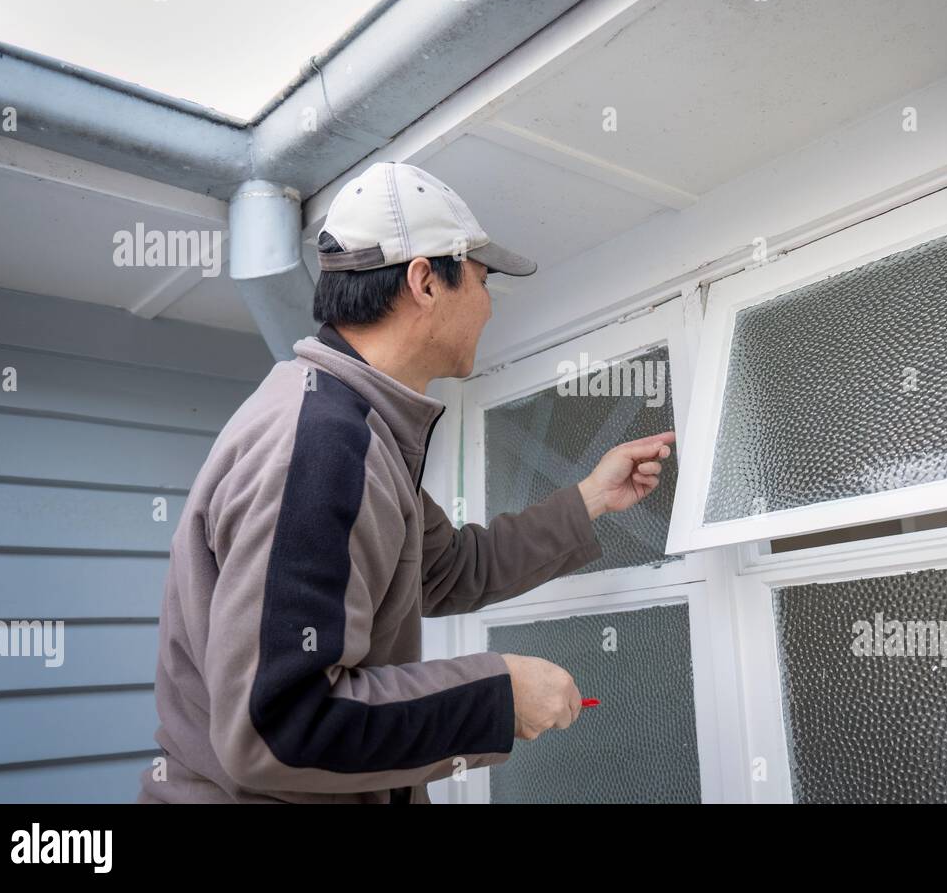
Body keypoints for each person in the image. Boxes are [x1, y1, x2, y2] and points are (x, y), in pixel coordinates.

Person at [139, 161, 674, 803]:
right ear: (425, 281)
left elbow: (447, 568)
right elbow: (278, 727)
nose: (486, 306)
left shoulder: (357, 430)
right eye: (481, 281)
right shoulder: (321, 446)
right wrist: (496, 698)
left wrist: (590, 499)